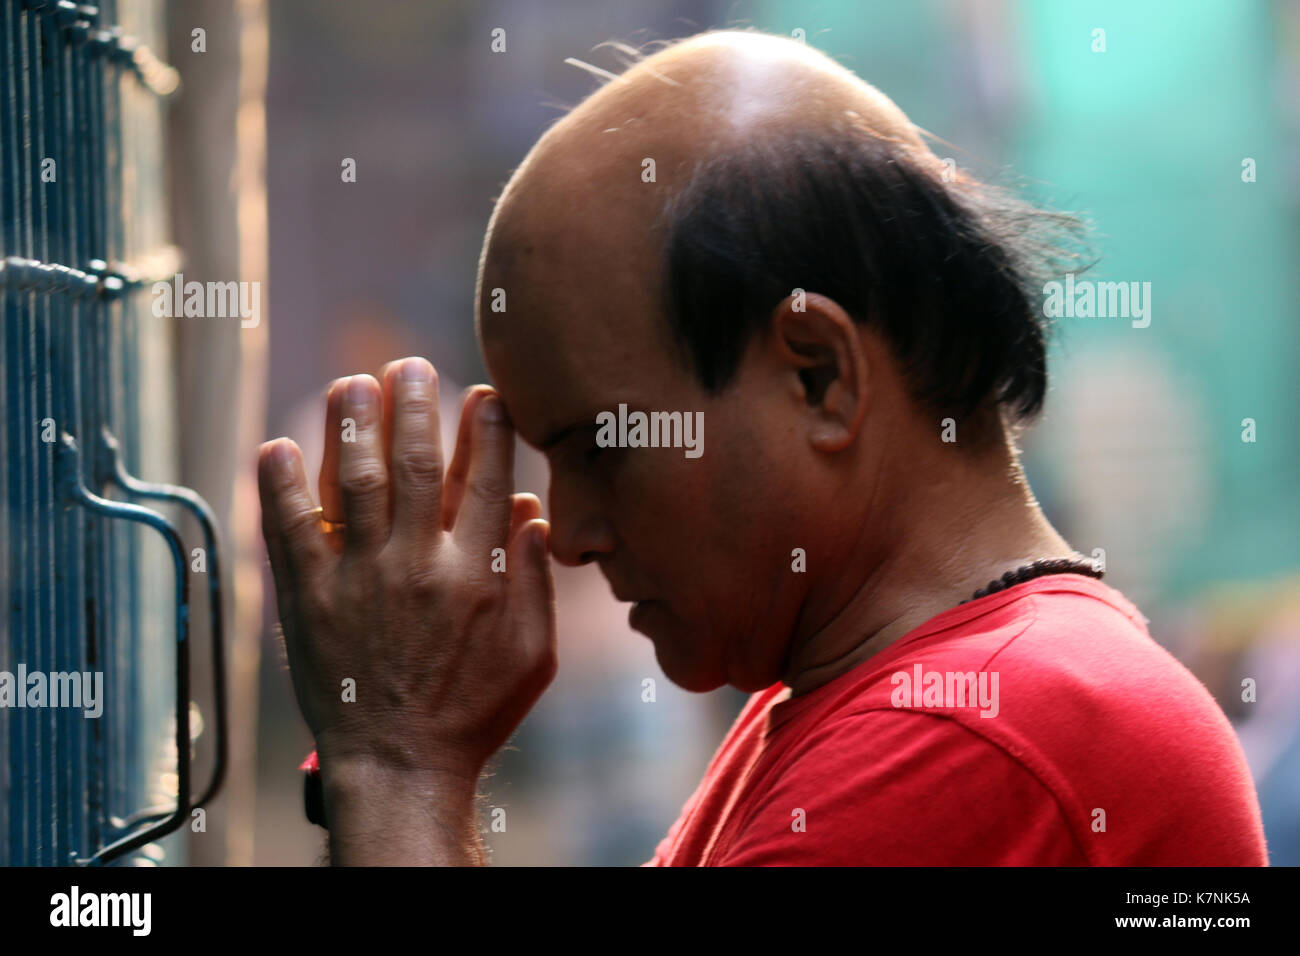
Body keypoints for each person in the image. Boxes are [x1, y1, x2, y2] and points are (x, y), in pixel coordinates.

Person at [257, 29, 1268, 865]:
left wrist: (399, 763)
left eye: (602, 447)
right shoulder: (883, 697)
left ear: (818, 375)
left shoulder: (976, 734)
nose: (566, 535)